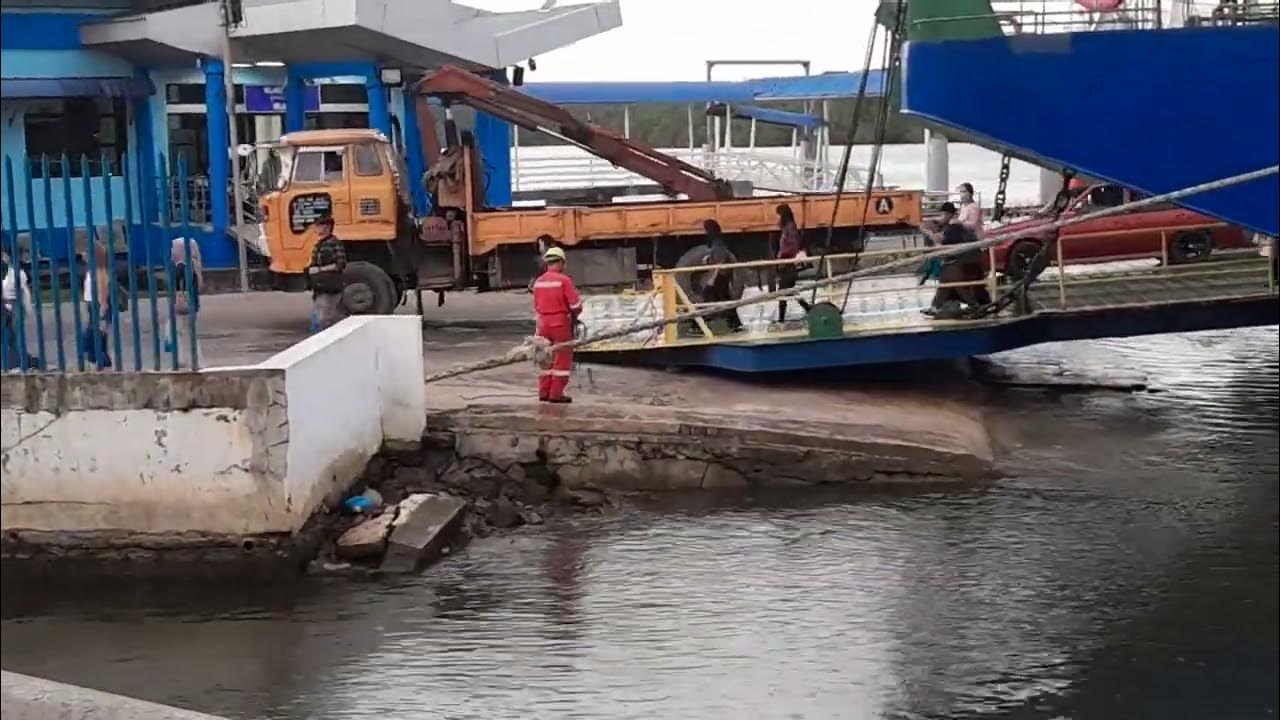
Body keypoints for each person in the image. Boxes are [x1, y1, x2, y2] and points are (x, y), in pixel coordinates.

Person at [532, 246, 582, 404]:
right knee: (562, 357)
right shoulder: (565, 281)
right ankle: (556, 394)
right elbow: (575, 306)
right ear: (561, 262)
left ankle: (544, 392)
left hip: (542, 324)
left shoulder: (538, 282)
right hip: (560, 323)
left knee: (544, 358)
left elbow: (536, 305)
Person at [923, 202, 990, 315]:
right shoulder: (955, 226)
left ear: (948, 214)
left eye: (943, 214)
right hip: (965, 259)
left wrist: (929, 232)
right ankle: (936, 306)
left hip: (967, 260)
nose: (941, 217)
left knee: (952, 277)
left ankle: (973, 305)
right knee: (945, 279)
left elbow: (941, 239)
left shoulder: (954, 226)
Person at [698, 220, 744, 333]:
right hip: (723, 274)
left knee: (708, 295)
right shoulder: (719, 241)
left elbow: (719, 260)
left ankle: (699, 324)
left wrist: (711, 274)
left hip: (720, 275)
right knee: (724, 298)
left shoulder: (716, 243)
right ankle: (735, 323)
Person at [307, 215, 347, 331]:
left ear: (327, 227)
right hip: (319, 287)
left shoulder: (335, 243)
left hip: (330, 287)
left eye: (319, 226)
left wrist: (320, 269)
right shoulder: (318, 244)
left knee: (324, 320)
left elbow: (340, 264)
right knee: (317, 319)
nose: (317, 228)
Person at [774, 204, 811, 323]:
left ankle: (781, 319)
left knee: (783, 291)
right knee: (790, 289)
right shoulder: (788, 228)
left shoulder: (790, 228)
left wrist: (782, 254)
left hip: (788, 263)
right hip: (786, 263)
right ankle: (807, 308)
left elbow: (793, 245)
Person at [80, 242, 113, 369]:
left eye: (87, 253)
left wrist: (103, 308)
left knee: (92, 335)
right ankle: (101, 359)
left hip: (98, 305)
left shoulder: (99, 271)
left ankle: (99, 359)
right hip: (93, 304)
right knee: (96, 334)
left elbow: (103, 291)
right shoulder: (93, 270)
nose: (84, 255)